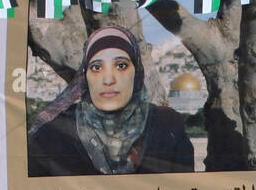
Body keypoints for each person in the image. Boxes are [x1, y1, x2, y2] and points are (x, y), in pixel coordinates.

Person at [27, 24, 195, 177]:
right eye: (96, 67)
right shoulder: (54, 133)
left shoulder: (166, 125)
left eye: (121, 65)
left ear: (136, 73)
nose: (108, 80)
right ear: (86, 77)